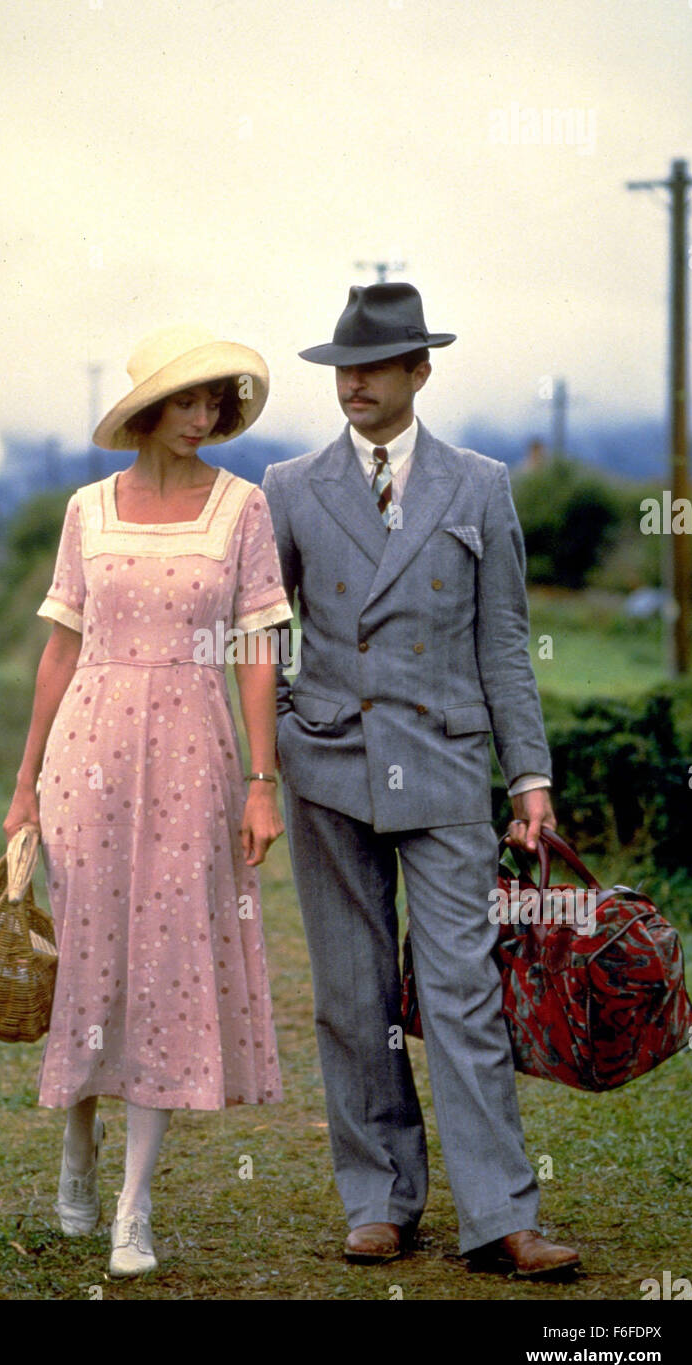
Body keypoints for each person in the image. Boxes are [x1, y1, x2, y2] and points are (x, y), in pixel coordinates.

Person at [262, 282, 581, 1279]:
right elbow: (262, 639)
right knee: (351, 995)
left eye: (372, 366)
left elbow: (505, 645)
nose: (351, 383)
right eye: (340, 367)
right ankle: (378, 1200)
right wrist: (264, 753)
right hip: (328, 766)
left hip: (446, 768)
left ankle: (499, 1217)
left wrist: (528, 775)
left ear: (419, 372)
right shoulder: (288, 485)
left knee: (461, 991)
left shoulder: (479, 484)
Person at [4, 323, 291, 1278]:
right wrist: (24, 785)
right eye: (189, 400)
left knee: (168, 960)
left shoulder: (243, 509)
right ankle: (76, 1146)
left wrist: (262, 781)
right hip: (87, 751)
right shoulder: (87, 510)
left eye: (217, 401)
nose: (206, 416)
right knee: (90, 949)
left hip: (195, 756)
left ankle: (136, 1206)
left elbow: (258, 650)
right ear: (148, 412)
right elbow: (60, 648)